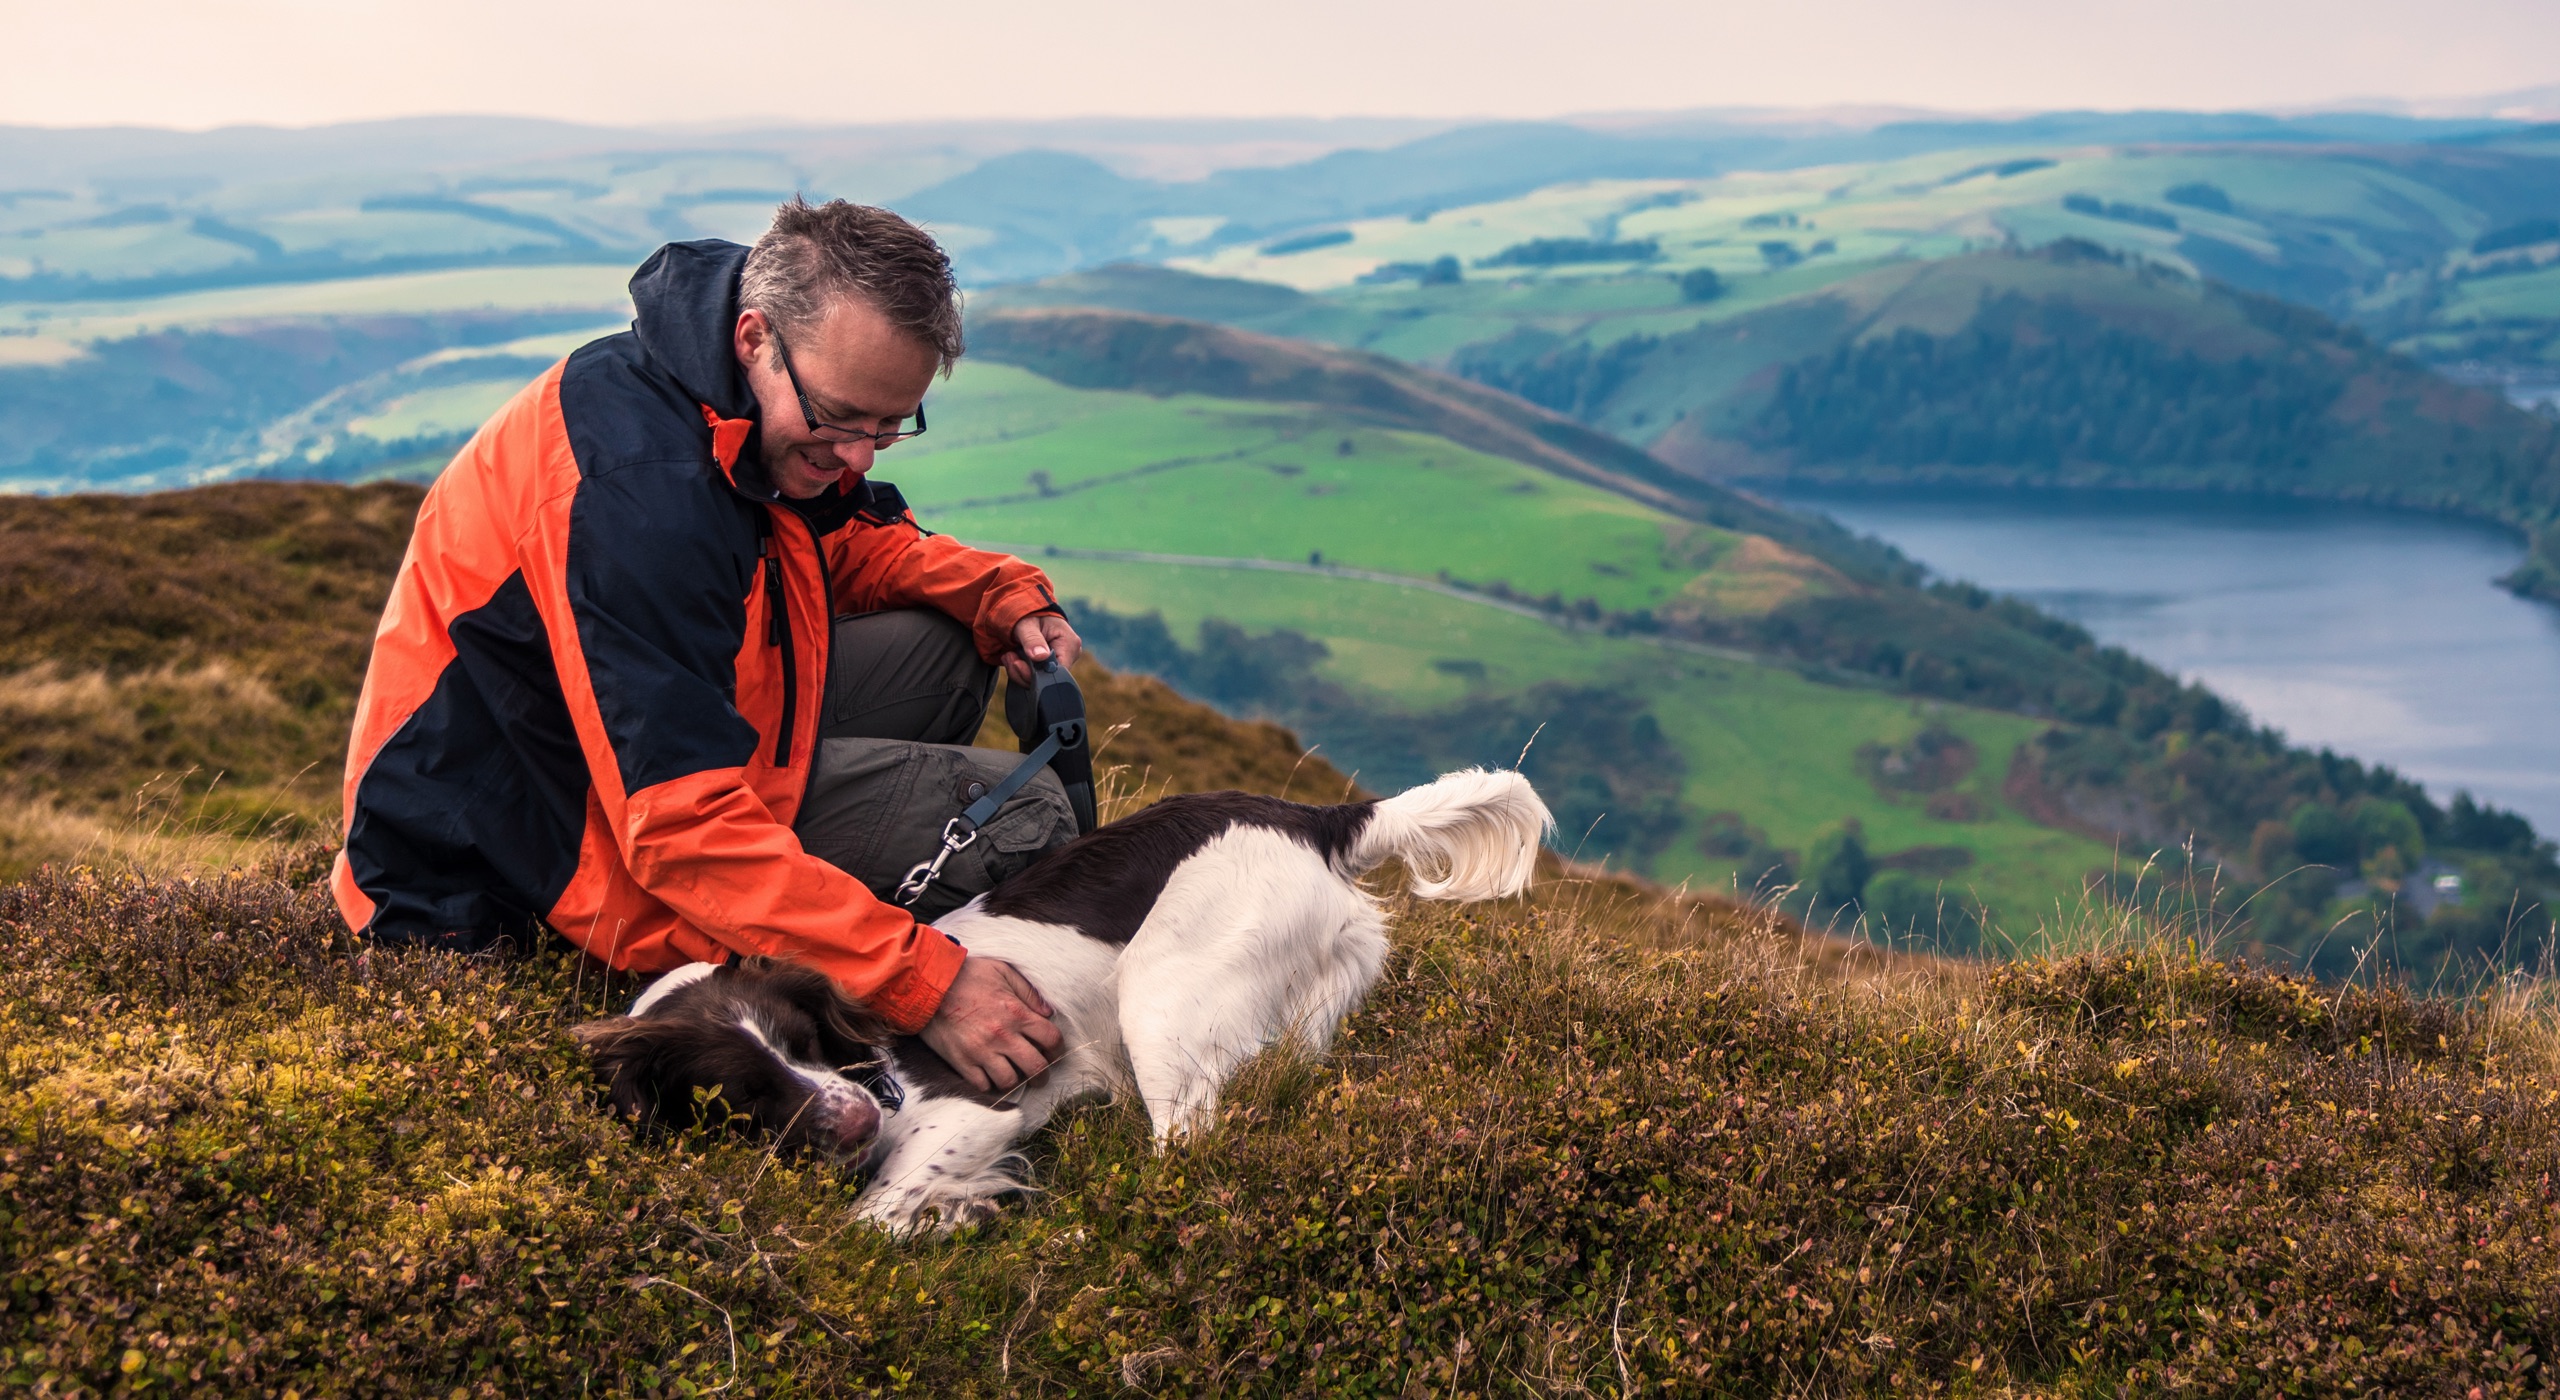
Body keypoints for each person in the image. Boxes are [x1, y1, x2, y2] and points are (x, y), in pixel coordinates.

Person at [332, 199, 1076, 1092]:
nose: (861, 458)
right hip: (520, 858)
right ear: (757, 337)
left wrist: (993, 590)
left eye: (891, 425)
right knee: (1030, 820)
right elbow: (679, 826)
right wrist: (927, 984)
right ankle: (878, 959)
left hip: (634, 763)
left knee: (943, 645)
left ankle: (827, 902)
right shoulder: (637, 492)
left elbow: (839, 541)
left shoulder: (738, 398)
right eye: (844, 419)